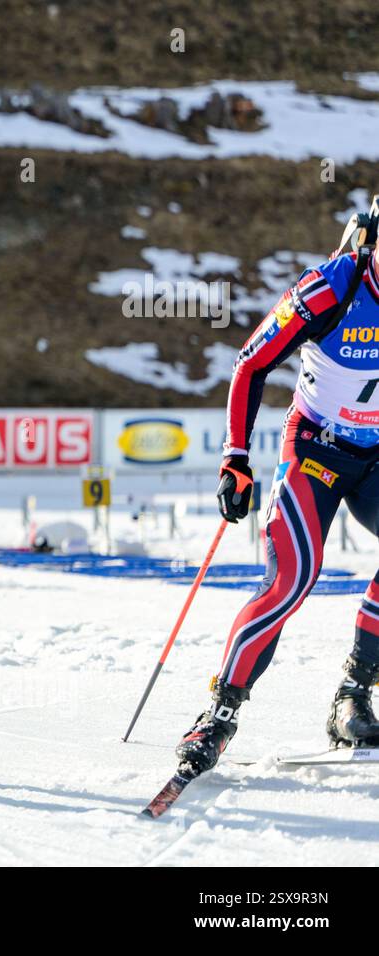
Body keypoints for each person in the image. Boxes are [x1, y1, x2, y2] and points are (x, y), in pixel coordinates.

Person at [175, 209, 379, 775]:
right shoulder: (332, 286)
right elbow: (251, 363)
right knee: (291, 579)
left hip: (377, 456)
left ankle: (353, 694)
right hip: (316, 451)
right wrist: (235, 458)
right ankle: (217, 716)